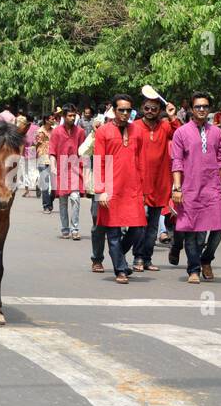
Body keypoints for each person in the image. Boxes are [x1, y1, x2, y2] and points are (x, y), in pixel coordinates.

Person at [171, 92, 221, 284]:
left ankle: (206, 259)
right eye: (198, 106)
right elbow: (177, 162)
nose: (201, 109)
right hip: (189, 188)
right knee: (192, 231)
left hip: (212, 188)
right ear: (191, 109)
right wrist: (177, 188)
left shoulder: (217, 132)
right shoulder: (181, 133)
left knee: (218, 229)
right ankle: (193, 269)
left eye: (205, 106)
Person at [91, 94, 145, 284]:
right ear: (113, 110)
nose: (125, 113)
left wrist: (143, 187)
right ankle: (120, 269)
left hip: (133, 188)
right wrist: (100, 190)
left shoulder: (137, 130)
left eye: (128, 110)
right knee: (113, 231)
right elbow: (98, 162)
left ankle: (118, 254)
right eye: (121, 110)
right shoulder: (103, 132)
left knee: (138, 228)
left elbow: (141, 160)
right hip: (111, 189)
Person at [131, 92, 175, 272]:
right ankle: (138, 258)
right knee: (141, 224)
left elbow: (179, 134)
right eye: (147, 108)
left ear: (159, 110)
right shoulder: (133, 127)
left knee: (153, 226)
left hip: (160, 184)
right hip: (140, 184)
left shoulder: (165, 127)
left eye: (154, 109)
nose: (150, 111)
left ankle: (147, 259)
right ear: (142, 109)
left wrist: (172, 115)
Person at [49, 105, 86, 239]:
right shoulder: (56, 132)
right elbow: (52, 151)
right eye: (69, 115)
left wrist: (85, 168)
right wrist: (53, 167)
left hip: (76, 168)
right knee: (63, 201)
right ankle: (65, 228)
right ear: (64, 116)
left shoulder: (80, 132)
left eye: (73, 115)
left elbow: (84, 151)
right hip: (61, 168)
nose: (72, 118)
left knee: (75, 198)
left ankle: (75, 229)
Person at [36, 113, 56, 213]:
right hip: (42, 158)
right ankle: (46, 206)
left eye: (54, 118)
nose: (54, 120)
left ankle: (50, 201)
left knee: (55, 186)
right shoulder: (40, 131)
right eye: (52, 118)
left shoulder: (55, 131)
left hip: (53, 159)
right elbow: (35, 144)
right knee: (45, 184)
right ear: (46, 120)